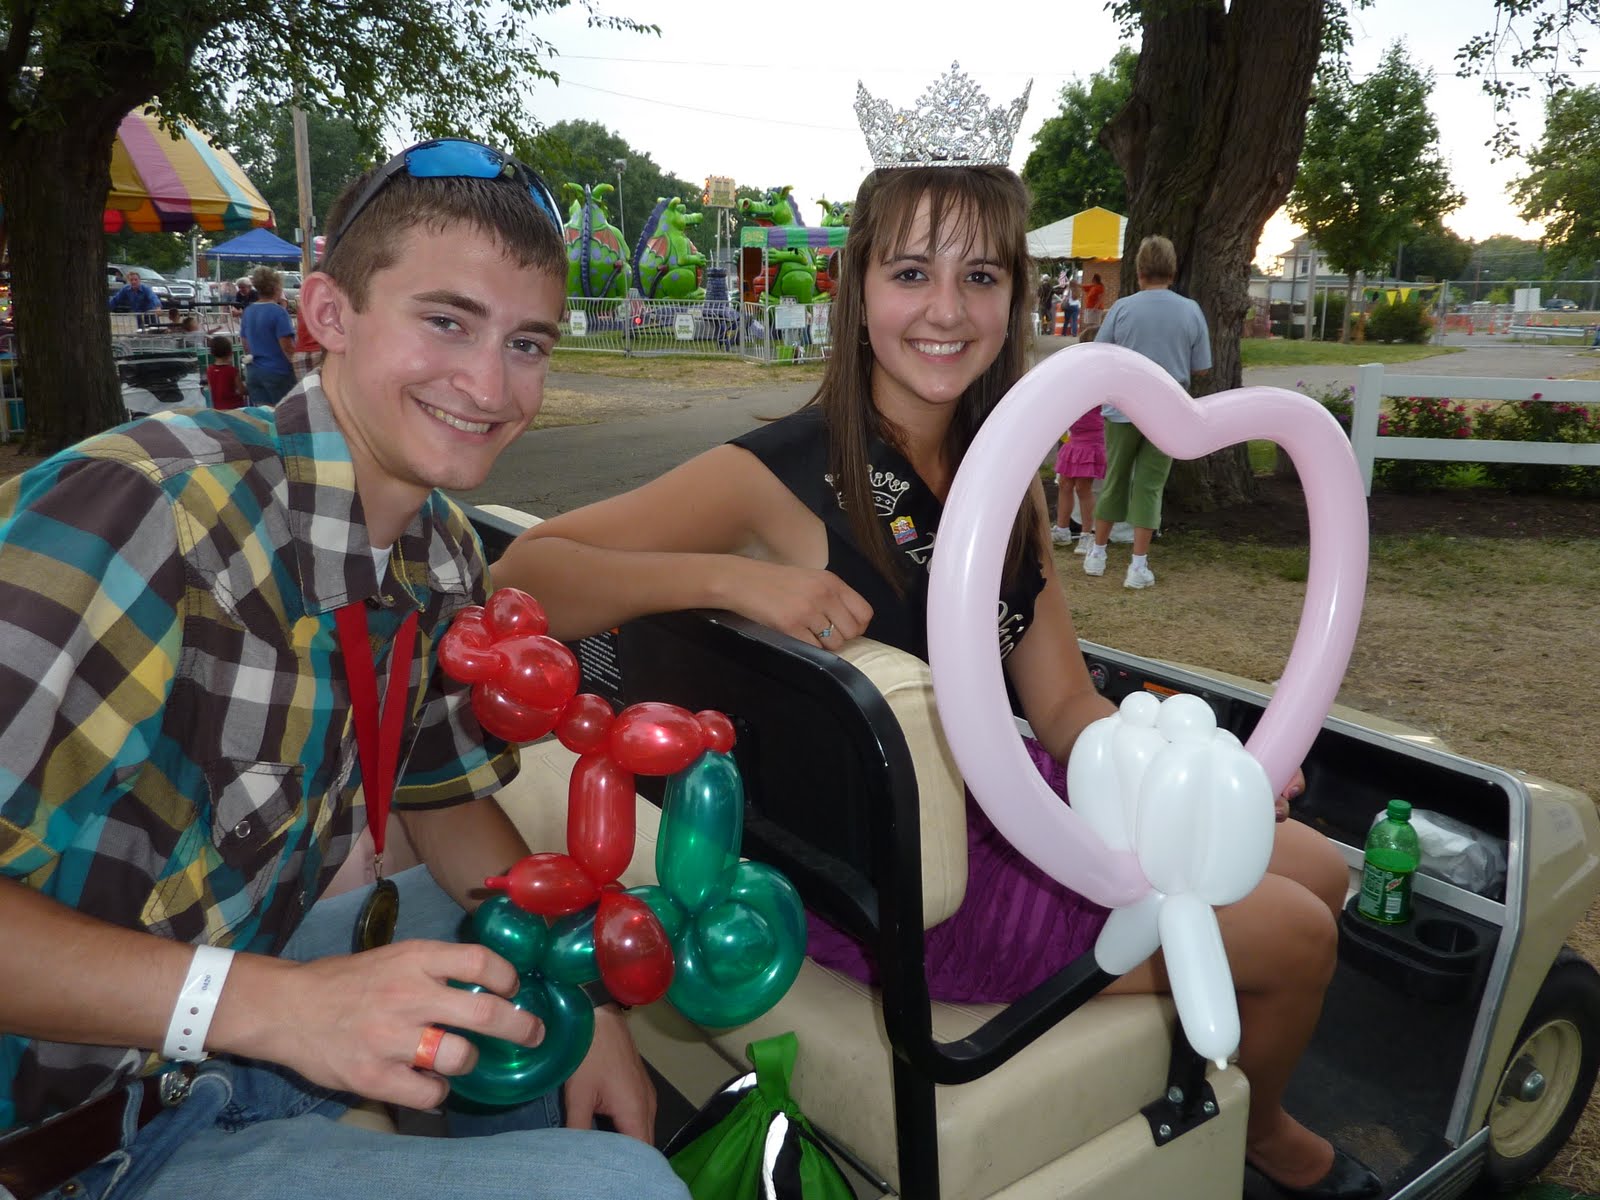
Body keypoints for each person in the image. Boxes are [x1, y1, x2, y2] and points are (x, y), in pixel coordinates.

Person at [496, 138, 1377, 1199]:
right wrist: (735, 580)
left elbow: (1061, 703)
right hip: (903, 881)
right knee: (1297, 930)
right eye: (911, 272)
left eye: (981, 275)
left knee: (1317, 865)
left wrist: (1173, 773)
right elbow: (526, 574)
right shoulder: (776, 473)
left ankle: (1211, 1077)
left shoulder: (1004, 474)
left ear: (1015, 297)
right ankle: (1262, 1130)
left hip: (1011, 808)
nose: (946, 310)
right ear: (858, 290)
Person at [0, 138, 688, 1200]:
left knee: (509, 965)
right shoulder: (152, 512)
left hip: (203, 1063)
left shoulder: (441, 550)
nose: (490, 384)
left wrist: (583, 1001)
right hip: (66, 1138)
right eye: (447, 321)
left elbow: (444, 800)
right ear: (327, 313)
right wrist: (280, 1010)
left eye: (527, 343)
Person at [1082, 235, 1210, 591]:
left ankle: (1098, 553)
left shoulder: (1122, 308)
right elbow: (1201, 367)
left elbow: (1099, 353)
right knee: (1150, 485)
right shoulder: (1191, 310)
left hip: (1122, 406)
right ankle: (1138, 565)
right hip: (1168, 410)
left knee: (1115, 479)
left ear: (1139, 270)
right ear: (1172, 269)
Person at [1051, 403, 1105, 554]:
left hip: (1091, 440)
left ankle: (1087, 535)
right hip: (1074, 438)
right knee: (1064, 484)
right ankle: (1062, 531)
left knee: (1083, 488)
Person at [238, 266, 296, 406]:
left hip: (254, 372)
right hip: (278, 372)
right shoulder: (279, 312)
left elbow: (245, 345)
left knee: (263, 415)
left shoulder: (248, 311)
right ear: (277, 287)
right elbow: (287, 348)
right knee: (285, 413)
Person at [205, 333, 245, 410]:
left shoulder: (209, 370)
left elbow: (211, 389)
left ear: (212, 353)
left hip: (218, 408)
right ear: (230, 352)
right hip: (235, 407)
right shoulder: (232, 370)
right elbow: (241, 390)